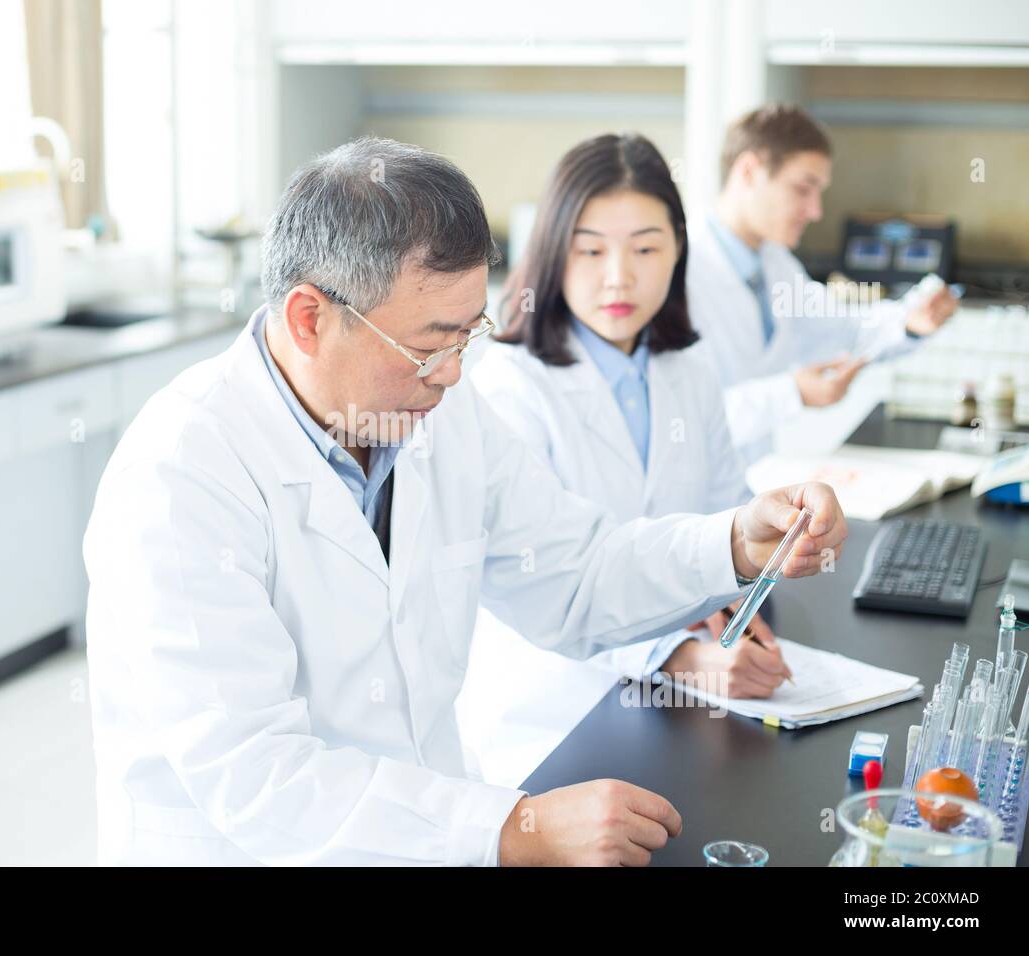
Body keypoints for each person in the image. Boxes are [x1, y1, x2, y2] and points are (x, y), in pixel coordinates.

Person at [82, 137, 848, 867]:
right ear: (309, 319)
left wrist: (737, 542)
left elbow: (575, 573)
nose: (452, 374)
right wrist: (512, 825)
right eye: (430, 345)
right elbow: (257, 778)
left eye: (468, 335)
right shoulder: (182, 475)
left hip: (431, 833)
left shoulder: (437, 414)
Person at [457, 133, 793, 787]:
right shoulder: (510, 388)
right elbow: (549, 582)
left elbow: (720, 507)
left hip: (688, 712)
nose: (619, 276)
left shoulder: (688, 368)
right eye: (590, 250)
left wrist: (732, 612)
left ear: (678, 252)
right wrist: (680, 658)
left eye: (645, 248)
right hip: (555, 719)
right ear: (554, 255)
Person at [688, 103, 958, 463]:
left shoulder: (777, 265)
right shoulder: (681, 273)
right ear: (749, 172)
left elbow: (843, 333)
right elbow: (686, 419)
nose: (815, 211)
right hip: (690, 503)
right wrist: (791, 393)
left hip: (749, 492)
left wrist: (910, 323)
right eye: (803, 189)